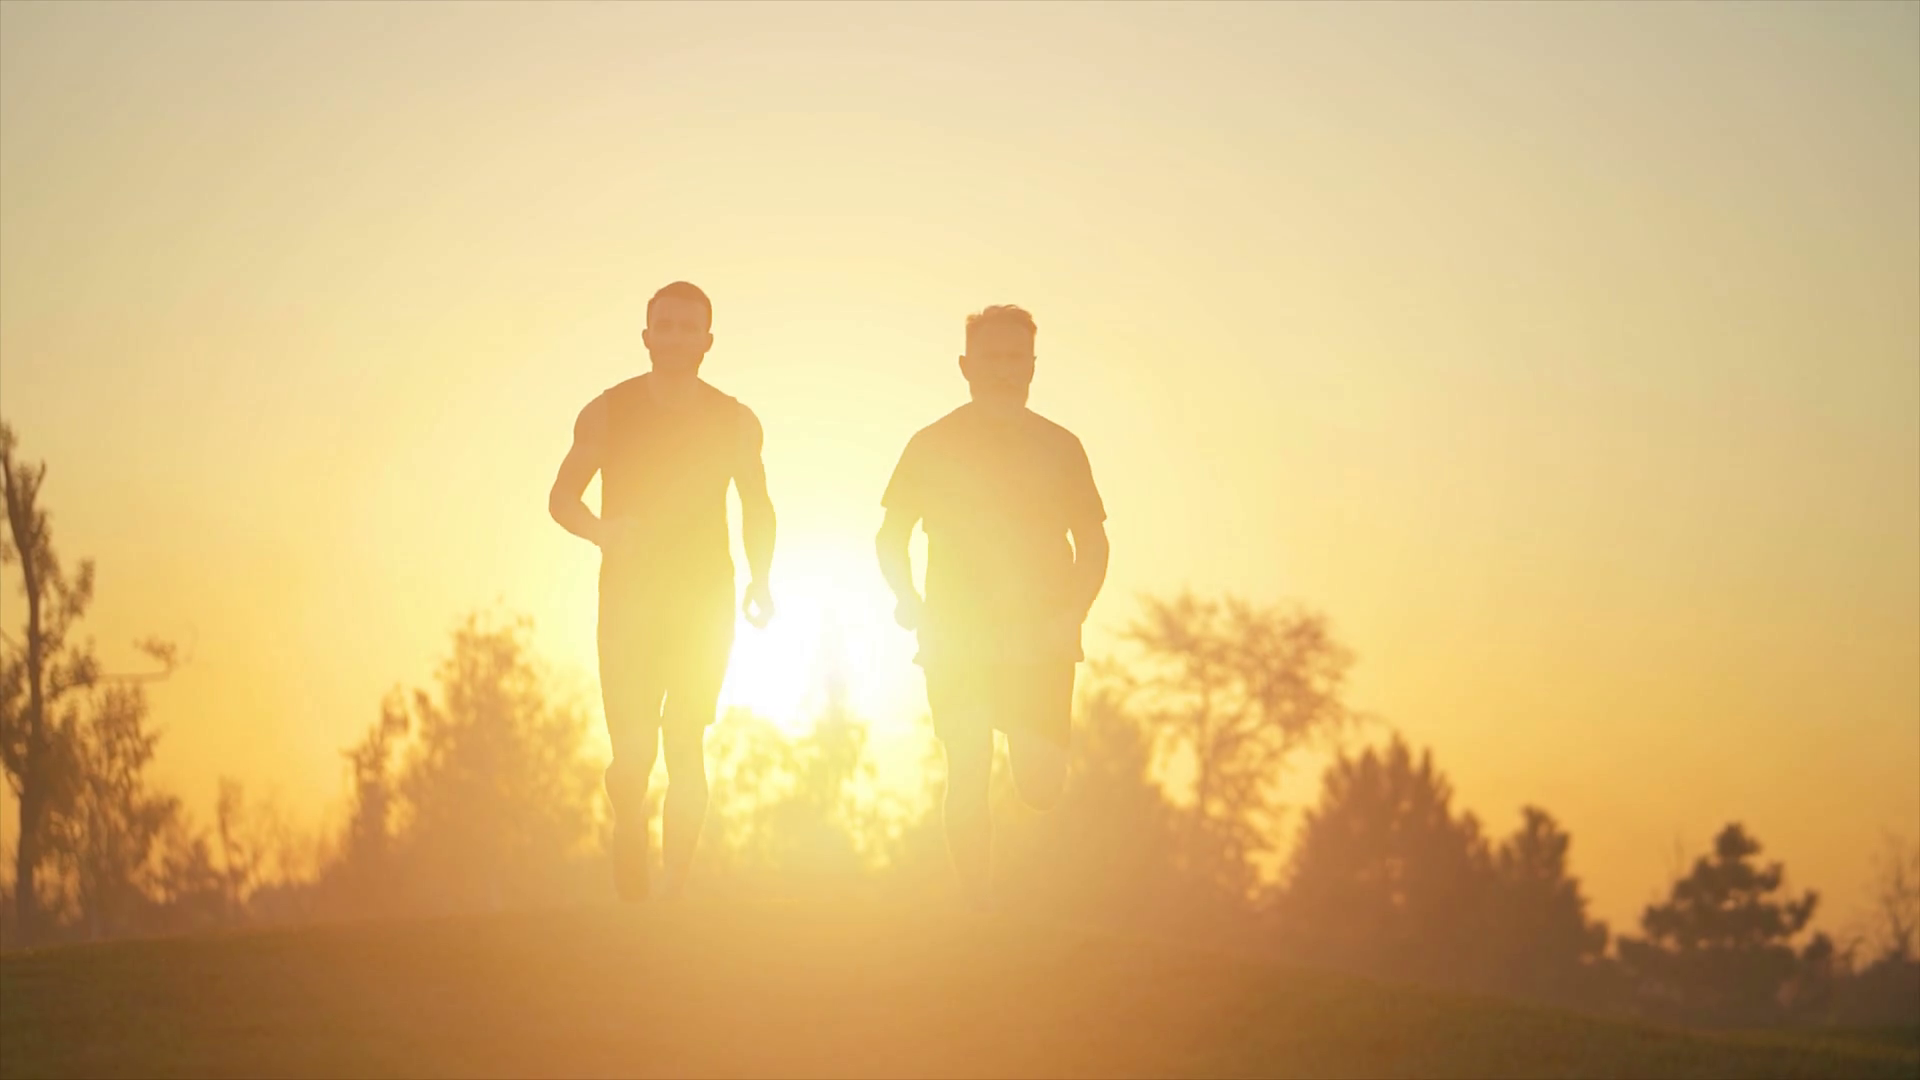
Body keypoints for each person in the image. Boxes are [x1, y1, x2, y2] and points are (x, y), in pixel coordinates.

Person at [875, 304, 1109, 910]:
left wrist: (1071, 615)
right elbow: (890, 536)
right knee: (969, 761)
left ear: (1032, 367)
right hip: (957, 633)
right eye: (993, 357)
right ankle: (975, 906)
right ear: (965, 366)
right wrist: (910, 600)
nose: (1006, 369)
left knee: (1039, 785)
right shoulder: (931, 445)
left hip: (1041, 639)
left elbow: (1094, 544)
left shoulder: (1062, 447)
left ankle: (1017, 894)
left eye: (1017, 358)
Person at [549, 281, 776, 901]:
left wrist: (761, 578)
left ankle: (671, 893)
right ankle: (628, 814)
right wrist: (603, 531)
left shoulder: (735, 420)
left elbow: (757, 506)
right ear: (646, 336)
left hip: (706, 601)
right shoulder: (607, 411)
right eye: (664, 326)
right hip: (628, 601)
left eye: (687, 328)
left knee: (684, 737)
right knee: (634, 753)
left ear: (707, 341)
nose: (675, 338)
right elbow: (561, 498)